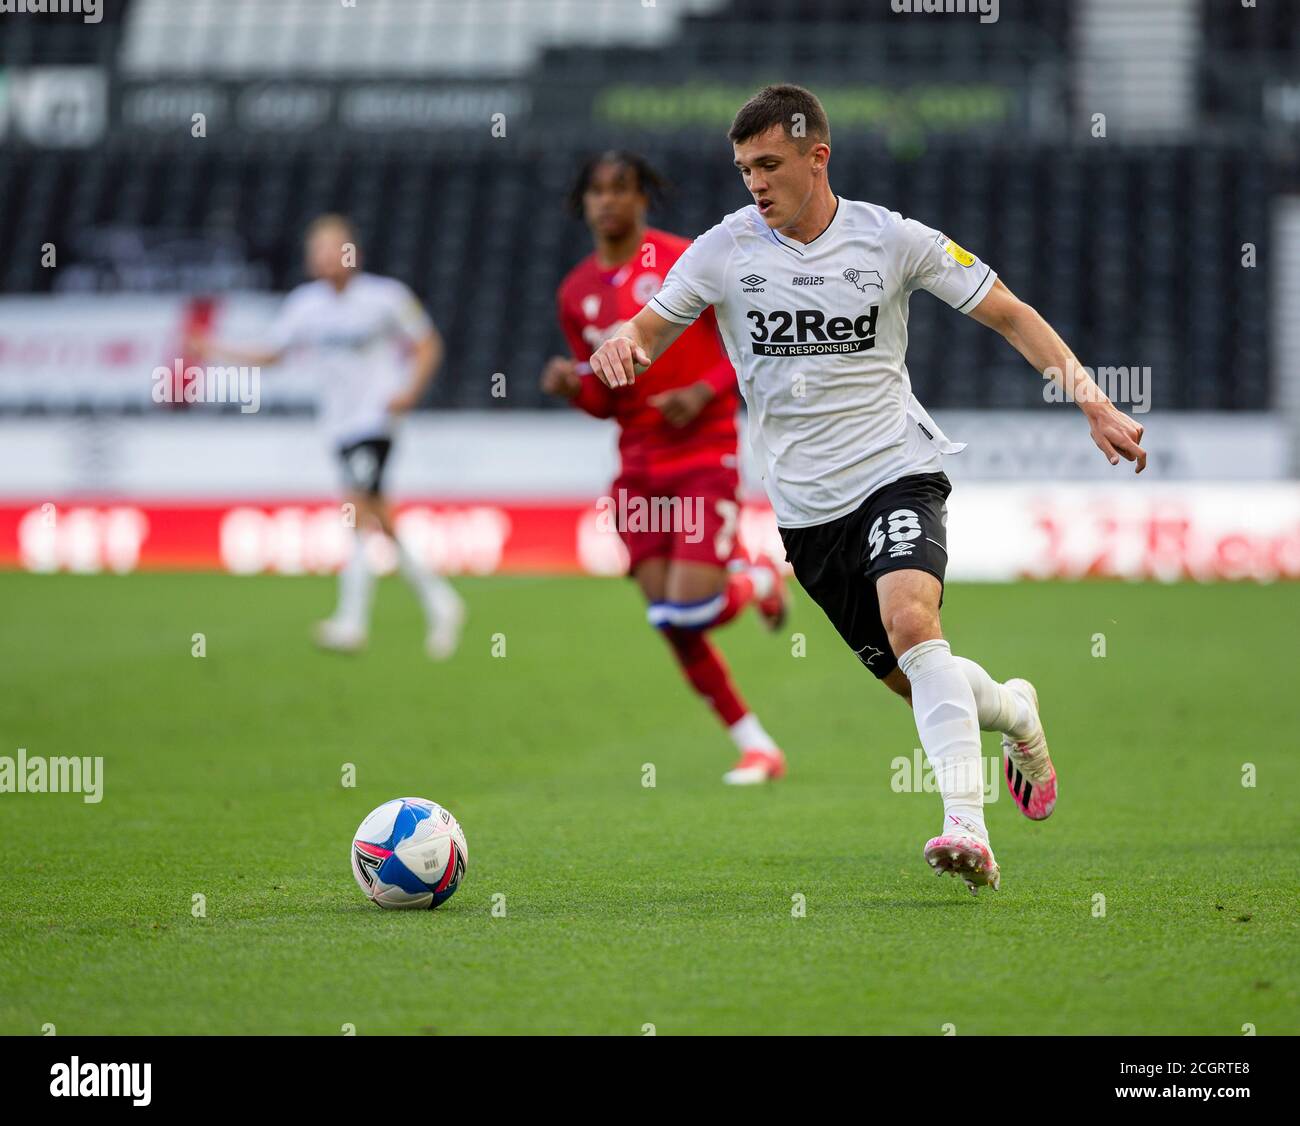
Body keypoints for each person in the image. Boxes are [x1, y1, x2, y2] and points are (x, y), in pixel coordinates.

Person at [587, 87, 1148, 892]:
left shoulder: (892, 239)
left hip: (896, 469)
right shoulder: (722, 249)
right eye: (745, 168)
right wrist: (621, 346)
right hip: (809, 514)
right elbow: (646, 329)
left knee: (913, 620)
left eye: (770, 164)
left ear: (818, 156)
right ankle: (1018, 712)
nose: (755, 183)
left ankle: (967, 828)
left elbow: (1011, 313)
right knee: (914, 674)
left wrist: (1091, 401)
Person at [543, 151, 790, 785]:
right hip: (638, 465)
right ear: (583, 204)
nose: (608, 201)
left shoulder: (685, 257)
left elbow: (753, 341)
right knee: (670, 622)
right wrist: (575, 386)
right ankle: (756, 743)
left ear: (642, 197)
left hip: (703, 450)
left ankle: (759, 578)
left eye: (620, 188)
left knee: (689, 609)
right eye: (596, 190)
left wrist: (704, 393)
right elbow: (605, 399)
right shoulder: (576, 293)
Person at [191, 214, 465, 659]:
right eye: (316, 249)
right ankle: (442, 602)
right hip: (338, 427)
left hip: (375, 423)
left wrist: (409, 390)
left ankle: (352, 622)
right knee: (381, 519)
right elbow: (272, 354)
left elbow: (428, 344)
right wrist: (216, 349)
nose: (323, 256)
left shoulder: (385, 298)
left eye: (332, 247)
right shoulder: (305, 306)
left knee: (356, 511)